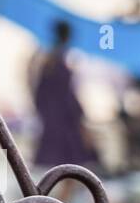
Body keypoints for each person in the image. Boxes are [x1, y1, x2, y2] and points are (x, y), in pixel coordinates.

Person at [28, 20, 99, 173]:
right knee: (69, 165)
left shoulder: (49, 59)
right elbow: (65, 95)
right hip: (63, 121)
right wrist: (79, 115)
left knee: (60, 167)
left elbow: (40, 92)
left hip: (55, 119)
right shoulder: (57, 60)